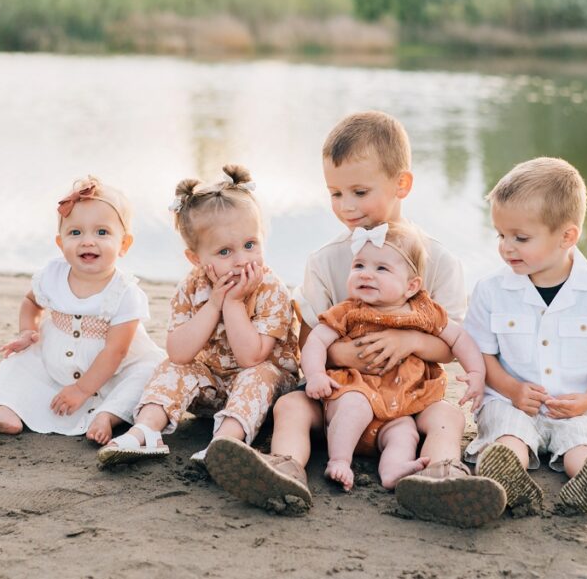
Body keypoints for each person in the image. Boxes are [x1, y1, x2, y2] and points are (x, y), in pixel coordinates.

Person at [206, 111, 505, 528]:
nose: (346, 207)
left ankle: (442, 473)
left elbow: (451, 344)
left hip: (407, 406)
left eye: (359, 192)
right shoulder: (327, 261)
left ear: (402, 184)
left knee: (448, 416)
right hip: (339, 396)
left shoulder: (439, 261)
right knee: (292, 405)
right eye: (335, 193)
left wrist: (410, 343)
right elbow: (309, 340)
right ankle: (285, 467)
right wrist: (349, 354)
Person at [466, 157, 587, 515]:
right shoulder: (490, 289)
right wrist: (511, 389)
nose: (506, 247)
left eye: (520, 238)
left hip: (573, 404)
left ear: (567, 236)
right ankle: (507, 478)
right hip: (509, 399)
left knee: (580, 441)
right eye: (500, 235)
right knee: (508, 435)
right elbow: (480, 353)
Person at [97, 165, 299, 466]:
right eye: (224, 252)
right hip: (212, 388)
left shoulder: (270, 288)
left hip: (266, 391)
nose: (242, 260)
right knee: (172, 368)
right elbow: (178, 353)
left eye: (250, 245)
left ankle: (225, 442)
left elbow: (252, 358)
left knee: (259, 374)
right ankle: (146, 431)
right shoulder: (191, 287)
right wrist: (214, 305)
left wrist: (234, 304)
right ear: (196, 258)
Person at [0, 176, 165, 444]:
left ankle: (107, 416)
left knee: (148, 373)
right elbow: (31, 302)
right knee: (18, 360)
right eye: (75, 232)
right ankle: (9, 409)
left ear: (124, 245)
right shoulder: (52, 275)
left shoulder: (125, 292)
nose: (88, 241)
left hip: (111, 373)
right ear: (60, 243)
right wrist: (27, 331)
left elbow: (116, 351)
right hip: (55, 362)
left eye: (102, 232)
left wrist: (83, 389)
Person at [302, 222, 486, 492]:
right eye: (359, 266)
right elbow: (315, 340)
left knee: (405, 433)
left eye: (381, 269)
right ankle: (339, 460)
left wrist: (476, 373)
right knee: (355, 405)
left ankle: (392, 471)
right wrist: (316, 374)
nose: (366, 275)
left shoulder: (424, 311)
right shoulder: (349, 311)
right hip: (358, 393)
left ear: (411, 286)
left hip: (402, 407)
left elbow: (458, 338)